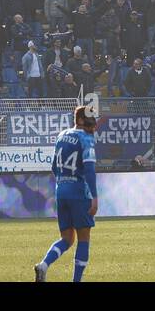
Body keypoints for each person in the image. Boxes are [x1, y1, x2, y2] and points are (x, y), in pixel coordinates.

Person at [36, 105, 98, 283]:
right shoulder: (86, 139)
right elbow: (89, 170)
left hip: (61, 191)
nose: (93, 124)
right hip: (79, 192)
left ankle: (43, 265)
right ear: (79, 120)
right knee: (83, 238)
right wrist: (94, 197)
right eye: (89, 120)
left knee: (67, 239)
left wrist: (63, 184)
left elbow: (54, 167)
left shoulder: (62, 135)